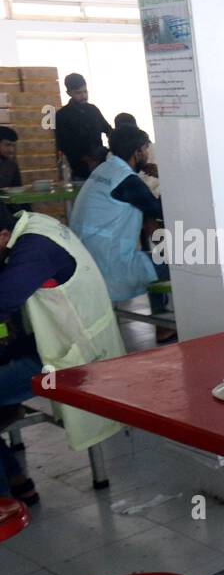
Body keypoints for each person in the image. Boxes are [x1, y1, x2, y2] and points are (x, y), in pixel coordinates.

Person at [0, 206, 127, 505]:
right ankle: (16, 480)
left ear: (3, 235)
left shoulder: (34, 249)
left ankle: (5, 501)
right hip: (60, 336)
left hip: (72, 355)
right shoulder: (33, 225)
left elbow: (3, 300)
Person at [69, 124, 163, 303]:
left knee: (161, 256)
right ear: (137, 152)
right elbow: (163, 211)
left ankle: (160, 314)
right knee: (183, 263)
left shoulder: (104, 170)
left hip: (89, 259)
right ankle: (166, 314)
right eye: (145, 149)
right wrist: (165, 176)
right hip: (112, 265)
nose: (147, 154)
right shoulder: (127, 180)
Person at [54, 73, 112, 181]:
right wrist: (88, 160)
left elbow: (108, 130)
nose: (84, 96)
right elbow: (64, 145)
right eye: (78, 93)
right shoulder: (62, 115)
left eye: (85, 91)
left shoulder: (93, 110)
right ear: (69, 93)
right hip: (80, 170)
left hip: (101, 165)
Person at [0, 126, 21, 190]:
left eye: (13, 146)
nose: (11, 150)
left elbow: (17, 190)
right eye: (7, 145)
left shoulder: (12, 165)